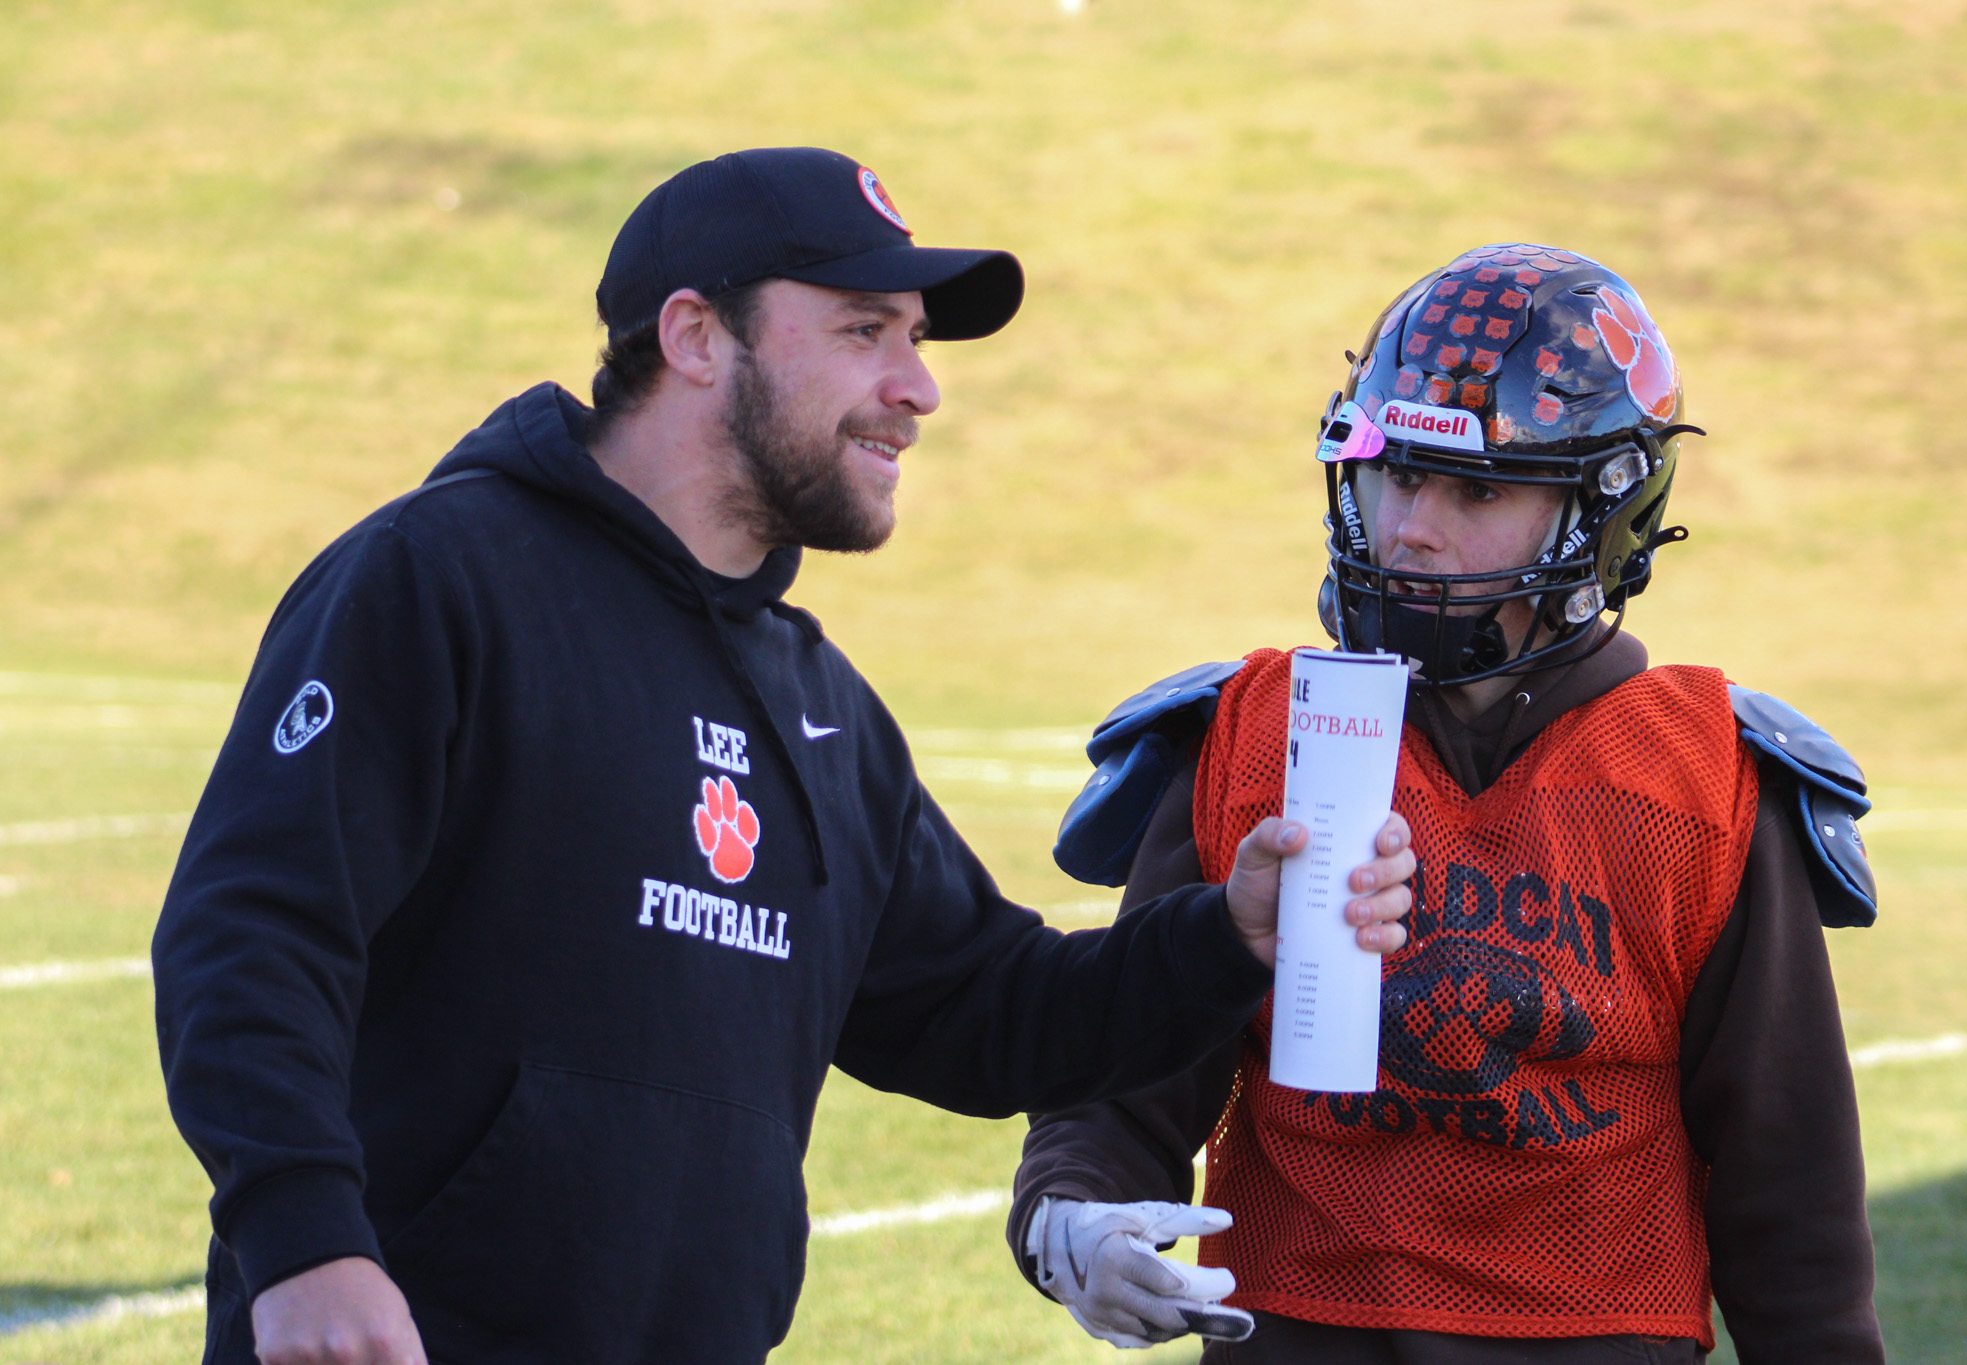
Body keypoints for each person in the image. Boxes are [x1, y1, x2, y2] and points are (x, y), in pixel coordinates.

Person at [150, 147, 1421, 1365]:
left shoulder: (819, 706)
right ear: (697, 338)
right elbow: (254, 930)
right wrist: (304, 1239)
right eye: (866, 331)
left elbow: (987, 1014)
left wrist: (1226, 933)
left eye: (914, 342)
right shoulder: (438, 582)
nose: (917, 390)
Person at [1006, 244, 1886, 1363]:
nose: (1411, 527)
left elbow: (1787, 1181)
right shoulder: (1251, 735)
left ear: (1595, 512)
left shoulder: (1696, 776)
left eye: (1475, 488)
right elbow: (1129, 1063)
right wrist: (1071, 1212)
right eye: (1396, 475)